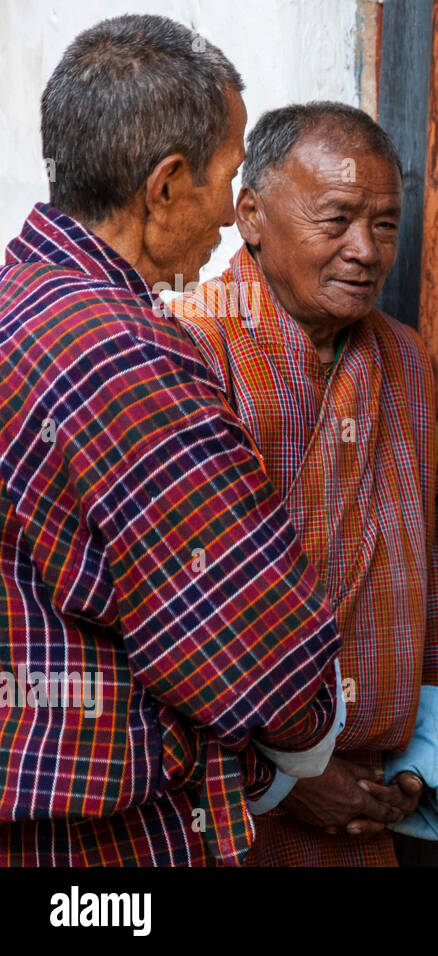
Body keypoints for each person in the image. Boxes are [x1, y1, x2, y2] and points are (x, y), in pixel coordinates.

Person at [0, 15, 344, 866]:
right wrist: (308, 735)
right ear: (165, 185)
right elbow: (249, 634)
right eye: (229, 177)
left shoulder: (19, 301)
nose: (233, 214)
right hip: (93, 839)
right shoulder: (122, 350)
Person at [175, 102, 438, 867]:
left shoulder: (403, 360)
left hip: (372, 791)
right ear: (252, 216)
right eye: (336, 219)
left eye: (386, 226)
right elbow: (177, 609)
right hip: (231, 795)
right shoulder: (192, 346)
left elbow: (412, 573)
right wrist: (284, 773)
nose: (365, 251)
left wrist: (420, 751)